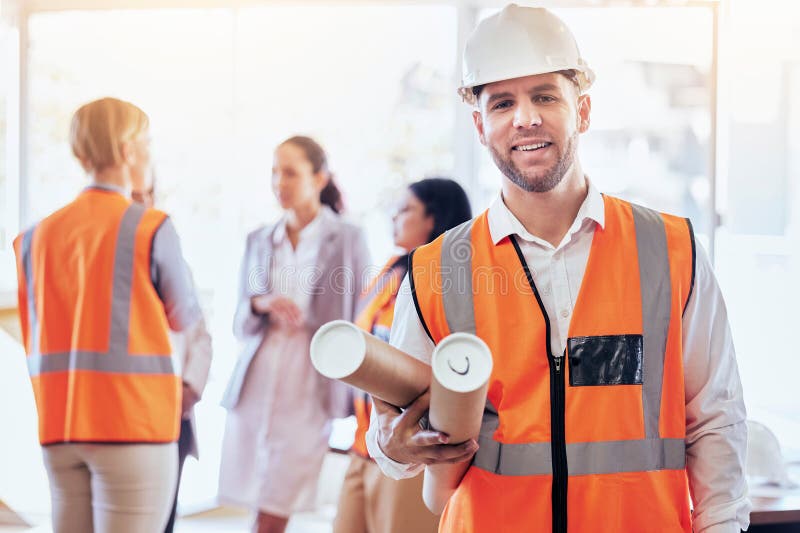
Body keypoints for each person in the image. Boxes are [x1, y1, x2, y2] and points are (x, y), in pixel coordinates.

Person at [367, 5, 750, 533]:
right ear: (480, 126)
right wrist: (393, 443)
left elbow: (716, 418)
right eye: (503, 103)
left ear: (583, 110)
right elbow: (392, 442)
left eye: (545, 96)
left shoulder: (671, 249)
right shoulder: (438, 270)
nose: (525, 118)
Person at [13, 97, 204, 532]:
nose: (151, 154)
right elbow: (184, 317)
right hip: (131, 427)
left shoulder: (34, 238)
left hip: (60, 429)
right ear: (126, 150)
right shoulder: (150, 226)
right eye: (147, 142)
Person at [218, 135, 371, 533]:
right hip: (258, 377)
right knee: (255, 493)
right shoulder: (259, 239)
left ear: (319, 177)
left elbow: (360, 314)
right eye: (274, 172)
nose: (278, 183)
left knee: (278, 497)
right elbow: (239, 320)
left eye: (290, 172)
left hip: (311, 380)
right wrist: (260, 303)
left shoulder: (348, 239)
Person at [333, 178, 471, 533]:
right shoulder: (389, 271)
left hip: (412, 456)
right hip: (365, 443)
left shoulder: (450, 281)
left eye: (406, 208)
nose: (395, 216)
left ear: (433, 218)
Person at [129, 171, 213, 533]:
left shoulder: (175, 264)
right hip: (127, 412)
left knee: (163, 519)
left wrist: (189, 389)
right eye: (133, 194)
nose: (141, 203)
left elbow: (199, 336)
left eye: (146, 194)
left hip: (173, 410)